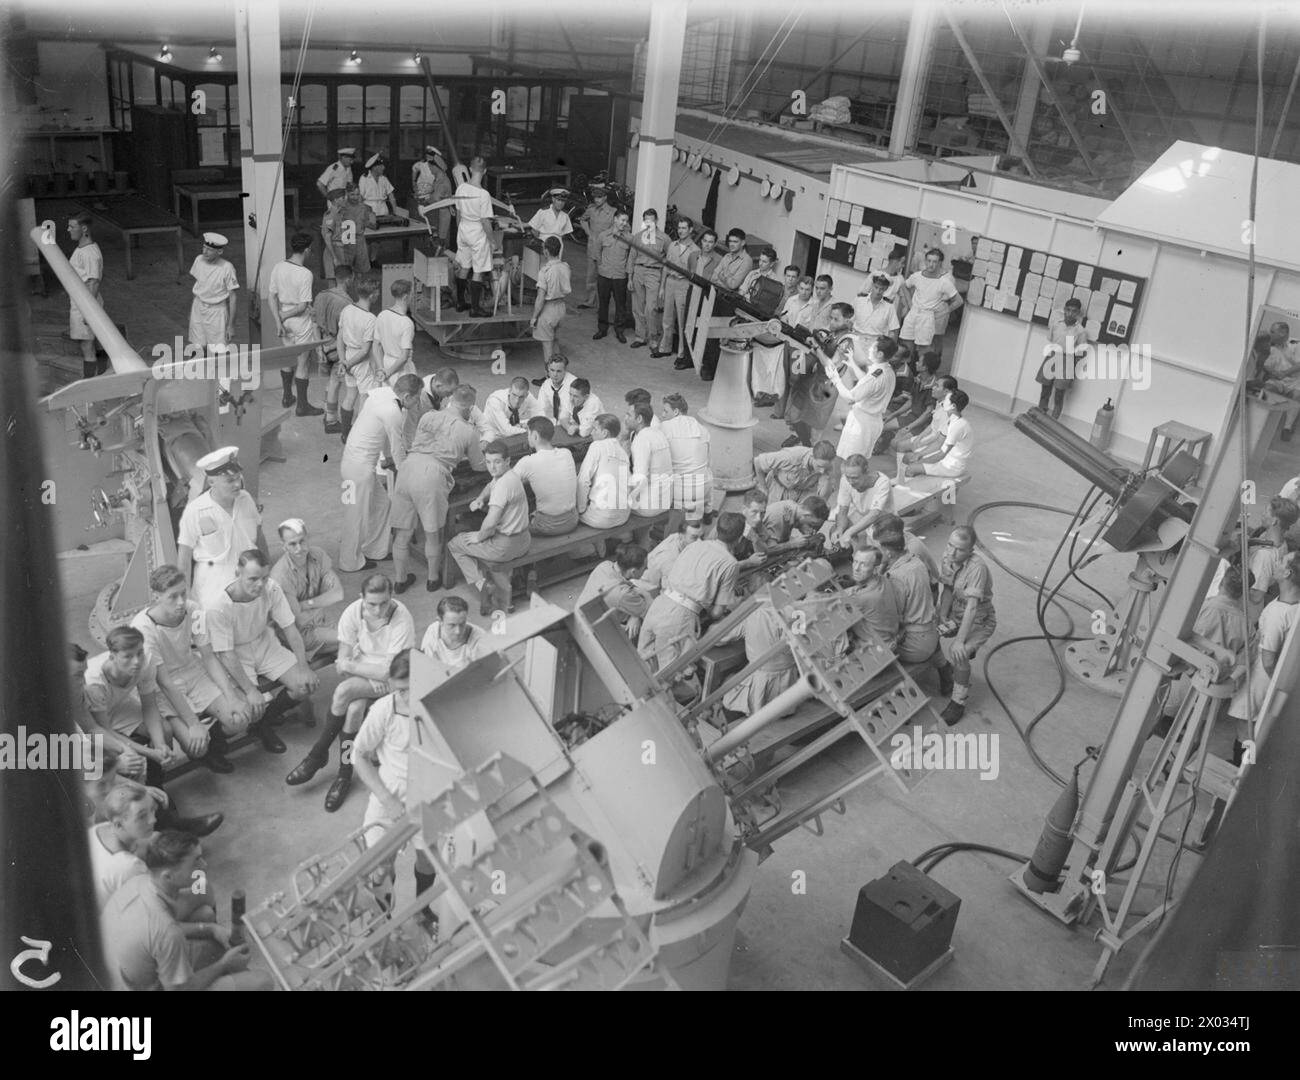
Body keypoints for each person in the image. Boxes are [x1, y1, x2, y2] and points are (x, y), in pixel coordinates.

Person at [286, 574, 414, 812]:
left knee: (343, 692)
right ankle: (344, 773)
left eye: (384, 603)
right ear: (361, 598)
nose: (377, 610)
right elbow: (340, 664)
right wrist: (368, 673)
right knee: (354, 710)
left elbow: (391, 672)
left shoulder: (401, 619)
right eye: (371, 604)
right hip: (370, 676)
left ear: (391, 598)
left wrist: (360, 669)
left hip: (396, 682)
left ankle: (318, 753)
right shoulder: (353, 613)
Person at [80, 627, 224, 836]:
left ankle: (156, 788)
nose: (136, 661)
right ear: (112, 656)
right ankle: (153, 806)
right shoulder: (95, 682)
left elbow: (149, 705)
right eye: (127, 656)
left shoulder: (144, 662)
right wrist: (148, 752)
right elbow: (104, 730)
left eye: (139, 652)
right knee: (130, 757)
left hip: (119, 706)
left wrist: (159, 745)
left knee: (164, 730)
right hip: (99, 720)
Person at [102, 830, 272, 990]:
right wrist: (224, 965)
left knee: (206, 913)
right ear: (168, 876)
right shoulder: (167, 932)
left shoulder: (139, 882)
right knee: (262, 981)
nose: (204, 865)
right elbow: (179, 989)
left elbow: (157, 933)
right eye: (195, 862)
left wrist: (210, 928)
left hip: (117, 972)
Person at [133, 565, 250, 774]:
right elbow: (165, 682)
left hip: (192, 671)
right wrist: (194, 723)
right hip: (165, 685)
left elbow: (208, 656)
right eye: (172, 596)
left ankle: (214, 743)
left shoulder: (193, 610)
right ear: (156, 596)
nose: (180, 602)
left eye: (183, 593)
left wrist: (231, 697)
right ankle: (206, 751)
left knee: (239, 719)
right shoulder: (143, 628)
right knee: (196, 747)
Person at [206, 549, 320, 754]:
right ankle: (213, 739)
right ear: (237, 573)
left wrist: (304, 667)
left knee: (305, 686)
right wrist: (251, 690)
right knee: (245, 712)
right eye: (252, 578)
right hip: (235, 654)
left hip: (264, 642)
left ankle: (263, 725)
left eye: (265, 578)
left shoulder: (272, 589)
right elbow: (226, 654)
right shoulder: (218, 606)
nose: (260, 584)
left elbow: (290, 629)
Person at [351, 652, 439, 915]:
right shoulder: (383, 710)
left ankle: (423, 911)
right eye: (400, 690)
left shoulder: (439, 707)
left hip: (429, 800)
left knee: (428, 861)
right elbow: (357, 754)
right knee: (379, 867)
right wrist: (388, 800)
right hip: (388, 799)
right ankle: (381, 923)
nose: (405, 697)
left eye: (412, 689)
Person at [392, 384, 486, 594]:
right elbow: (478, 466)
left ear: (451, 400)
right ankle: (433, 579)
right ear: (470, 408)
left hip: (407, 469)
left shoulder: (428, 416)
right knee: (433, 533)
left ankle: (399, 581)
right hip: (432, 476)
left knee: (403, 532)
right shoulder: (469, 431)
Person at [638, 510, 743, 671]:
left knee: (643, 665)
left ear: (717, 529)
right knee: (671, 673)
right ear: (739, 538)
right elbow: (716, 613)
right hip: (680, 618)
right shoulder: (731, 564)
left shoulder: (694, 544)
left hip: (659, 605)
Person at [338, 373, 422, 573]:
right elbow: (396, 448)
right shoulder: (393, 412)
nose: (418, 402)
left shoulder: (382, 393)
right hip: (359, 468)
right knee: (355, 516)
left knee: (382, 504)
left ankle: (375, 550)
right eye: (417, 397)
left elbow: (381, 433)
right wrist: (406, 474)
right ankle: (349, 562)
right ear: (406, 397)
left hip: (354, 461)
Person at [1227, 551, 1300, 753]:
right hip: (1278, 677)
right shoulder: (1293, 605)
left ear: (1287, 573)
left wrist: (1274, 688)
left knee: (1245, 731)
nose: (1276, 563)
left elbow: (1268, 659)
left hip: (1261, 677)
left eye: (1282, 562)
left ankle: (1239, 771)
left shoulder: (1279, 613)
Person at [448, 440, 532, 613]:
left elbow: (491, 523)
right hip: (524, 541)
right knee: (474, 526)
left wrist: (479, 537)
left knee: (455, 544)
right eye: (488, 462)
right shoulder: (509, 475)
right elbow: (489, 485)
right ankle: (503, 582)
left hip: (505, 547)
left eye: (497, 462)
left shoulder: (503, 486)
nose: (492, 467)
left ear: (507, 461)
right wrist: (480, 499)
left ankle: (485, 588)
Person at [176, 446, 262, 612]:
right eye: (230, 481)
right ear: (211, 482)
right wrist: (184, 597)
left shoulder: (246, 499)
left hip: (250, 582)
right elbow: (184, 559)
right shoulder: (195, 511)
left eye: (238, 478)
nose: (237, 484)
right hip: (214, 591)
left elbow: (259, 536)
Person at [932, 525, 996, 725]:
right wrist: (942, 615)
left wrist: (960, 641)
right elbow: (949, 588)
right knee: (928, 633)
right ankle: (944, 671)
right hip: (955, 612)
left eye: (959, 549)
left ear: (970, 551)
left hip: (978, 619)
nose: (952, 552)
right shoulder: (948, 558)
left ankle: (957, 703)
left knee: (958, 652)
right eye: (950, 545)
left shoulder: (977, 568)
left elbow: (973, 608)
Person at [820, 314, 896, 461]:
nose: (869, 349)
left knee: (849, 460)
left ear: (879, 353)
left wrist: (835, 379)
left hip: (862, 424)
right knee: (859, 460)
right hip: (872, 422)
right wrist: (853, 364)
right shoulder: (887, 371)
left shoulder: (875, 375)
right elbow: (868, 384)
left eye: (873, 347)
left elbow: (851, 396)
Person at [270, 518, 346, 658]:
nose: (299, 548)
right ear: (284, 546)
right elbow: (297, 619)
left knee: (355, 641)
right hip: (300, 635)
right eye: (292, 544)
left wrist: (306, 604)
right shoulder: (280, 576)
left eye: (302, 541)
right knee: (353, 640)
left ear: (307, 538)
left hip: (321, 623)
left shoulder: (317, 555)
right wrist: (322, 601)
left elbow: (338, 594)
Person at [269, 231, 325, 417]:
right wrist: (286, 315)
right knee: (303, 363)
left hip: (283, 317)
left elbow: (271, 296)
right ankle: (302, 405)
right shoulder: (305, 274)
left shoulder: (278, 267)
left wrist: (279, 320)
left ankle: (286, 397)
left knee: (287, 358)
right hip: (299, 320)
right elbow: (302, 306)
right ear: (307, 250)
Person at [873, 521, 939, 664]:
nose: (875, 552)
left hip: (914, 646)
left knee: (868, 635)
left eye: (877, 549)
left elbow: (892, 618)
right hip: (931, 634)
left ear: (888, 552)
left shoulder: (896, 577)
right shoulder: (916, 562)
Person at [720, 604, 800, 722]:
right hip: (789, 679)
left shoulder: (751, 612)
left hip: (761, 680)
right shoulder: (797, 611)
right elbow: (800, 643)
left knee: (726, 681)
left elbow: (721, 638)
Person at [699, 228, 756, 380]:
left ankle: (720, 371)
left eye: (735, 241)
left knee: (723, 335)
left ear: (743, 243)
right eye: (730, 241)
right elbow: (713, 276)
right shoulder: (726, 256)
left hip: (729, 302)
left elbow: (733, 284)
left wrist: (723, 276)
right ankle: (708, 367)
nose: (731, 244)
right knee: (711, 331)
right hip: (717, 296)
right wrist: (725, 277)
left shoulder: (747, 261)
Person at [335, 272, 383, 441]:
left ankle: (345, 433)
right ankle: (359, 436)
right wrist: (347, 363)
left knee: (349, 396)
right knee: (365, 399)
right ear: (372, 295)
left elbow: (339, 338)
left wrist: (343, 361)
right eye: (377, 292)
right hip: (360, 362)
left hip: (347, 354)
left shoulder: (347, 309)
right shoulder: (370, 319)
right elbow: (365, 350)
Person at [514, 416, 579, 536]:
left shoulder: (527, 462)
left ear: (535, 436)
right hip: (572, 520)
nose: (527, 438)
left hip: (547, 526)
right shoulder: (566, 453)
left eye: (528, 434)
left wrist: (480, 499)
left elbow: (505, 483)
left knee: (515, 522)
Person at [452, 155, 497, 318]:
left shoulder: (461, 188)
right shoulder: (483, 194)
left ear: (470, 169)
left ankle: (460, 302)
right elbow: (485, 221)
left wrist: (460, 231)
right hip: (477, 232)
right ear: (484, 171)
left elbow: (457, 213)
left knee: (464, 266)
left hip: (463, 228)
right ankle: (475, 308)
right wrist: (492, 241)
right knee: (478, 270)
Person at [576, 543, 650, 638]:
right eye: (644, 567)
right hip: (591, 633)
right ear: (633, 572)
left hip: (580, 616)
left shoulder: (605, 565)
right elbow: (649, 611)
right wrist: (638, 613)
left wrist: (634, 614)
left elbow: (627, 585)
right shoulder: (622, 594)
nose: (647, 568)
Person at [660, 392, 712, 522]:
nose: (662, 415)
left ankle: (660, 523)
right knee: (707, 469)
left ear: (676, 411)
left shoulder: (664, 427)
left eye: (665, 411)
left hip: (680, 491)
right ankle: (708, 511)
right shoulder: (703, 429)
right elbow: (709, 461)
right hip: (704, 488)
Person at [1035, 298, 1091, 419]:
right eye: (1068, 310)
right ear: (1064, 310)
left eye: (1074, 311)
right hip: (1052, 356)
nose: (1070, 314)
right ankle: (1039, 415)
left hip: (1068, 361)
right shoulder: (1056, 323)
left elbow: (1081, 353)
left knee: (1059, 394)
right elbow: (1051, 339)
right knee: (1045, 389)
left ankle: (1053, 421)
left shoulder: (1080, 331)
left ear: (1078, 313)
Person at [314, 263, 354, 434]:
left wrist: (318, 348)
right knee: (335, 382)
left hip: (321, 343)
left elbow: (314, 323)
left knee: (329, 384)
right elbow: (345, 334)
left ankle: (326, 414)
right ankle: (330, 421)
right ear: (349, 279)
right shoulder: (347, 303)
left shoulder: (321, 296)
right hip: (337, 348)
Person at [898, 248, 962, 353]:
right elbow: (904, 286)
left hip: (927, 316)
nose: (931, 264)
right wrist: (910, 304)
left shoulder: (944, 281)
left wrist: (943, 312)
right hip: (913, 313)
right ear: (925, 261)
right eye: (929, 261)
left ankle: (920, 368)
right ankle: (906, 368)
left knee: (923, 350)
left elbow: (958, 301)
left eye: (934, 261)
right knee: (906, 346)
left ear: (940, 263)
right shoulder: (917, 276)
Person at [842, 545, 903, 652]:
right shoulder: (883, 580)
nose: (856, 568)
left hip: (875, 651)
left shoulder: (860, 598)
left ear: (875, 569)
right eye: (855, 562)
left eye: (863, 565)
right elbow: (857, 590)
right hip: (890, 640)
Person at [67, 212, 106, 378]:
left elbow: (93, 282)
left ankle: (89, 382)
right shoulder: (82, 249)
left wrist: (88, 311)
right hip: (82, 302)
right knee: (93, 342)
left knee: (86, 346)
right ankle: (102, 373)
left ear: (84, 229)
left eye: (71, 226)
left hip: (85, 304)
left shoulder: (89, 253)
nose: (68, 229)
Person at [656, 216, 700, 361]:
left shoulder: (695, 250)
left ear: (690, 230)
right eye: (679, 228)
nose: (680, 231)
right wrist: (662, 287)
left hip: (683, 284)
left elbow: (694, 274)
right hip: (670, 282)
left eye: (684, 228)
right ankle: (665, 348)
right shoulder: (672, 245)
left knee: (682, 321)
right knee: (667, 318)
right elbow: (666, 266)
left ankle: (682, 352)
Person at [187, 233, 239, 356]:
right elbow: (199, 284)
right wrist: (191, 312)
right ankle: (200, 373)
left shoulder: (227, 268)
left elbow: (233, 298)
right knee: (197, 347)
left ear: (219, 251)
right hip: (198, 307)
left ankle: (222, 374)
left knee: (219, 351)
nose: (205, 252)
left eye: (210, 250)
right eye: (204, 248)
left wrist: (231, 325)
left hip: (217, 312)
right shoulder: (199, 260)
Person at [903, 389, 973, 479]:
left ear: (953, 406)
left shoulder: (957, 426)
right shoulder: (952, 420)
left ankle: (906, 489)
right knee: (908, 457)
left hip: (952, 466)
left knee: (911, 468)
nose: (943, 401)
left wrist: (920, 461)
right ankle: (903, 482)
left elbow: (941, 455)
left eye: (946, 399)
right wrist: (919, 454)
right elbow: (939, 443)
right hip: (947, 457)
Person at [577, 413, 631, 530]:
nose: (591, 433)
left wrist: (580, 509)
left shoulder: (597, 445)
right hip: (623, 516)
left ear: (605, 433)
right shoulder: (623, 453)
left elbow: (583, 480)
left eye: (595, 429)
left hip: (600, 518)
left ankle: (594, 548)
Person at [1246, 496, 1300, 607]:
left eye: (1266, 511)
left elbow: (1256, 596)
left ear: (1275, 521)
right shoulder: (1280, 543)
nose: (1263, 514)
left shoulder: (1264, 556)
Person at [628, 208, 670, 350]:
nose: (648, 222)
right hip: (638, 271)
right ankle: (640, 337)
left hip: (654, 273)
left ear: (656, 221)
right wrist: (629, 277)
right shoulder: (638, 237)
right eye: (646, 219)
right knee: (637, 307)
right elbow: (632, 257)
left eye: (651, 220)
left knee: (651, 308)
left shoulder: (664, 239)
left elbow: (668, 262)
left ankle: (653, 337)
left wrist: (663, 284)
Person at [642, 512, 708, 597]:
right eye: (694, 537)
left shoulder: (678, 537)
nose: (699, 542)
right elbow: (667, 592)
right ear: (681, 536)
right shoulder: (669, 557)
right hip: (649, 591)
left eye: (701, 537)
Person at [529, 236, 572, 366]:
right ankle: (561, 371)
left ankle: (550, 377)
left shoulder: (545, 271)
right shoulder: (565, 266)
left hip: (548, 309)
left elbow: (540, 298)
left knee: (547, 346)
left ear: (546, 251)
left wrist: (534, 317)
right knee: (555, 341)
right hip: (561, 307)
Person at [593, 210, 634, 343]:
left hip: (620, 276)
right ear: (615, 219)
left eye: (626, 221)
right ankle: (602, 329)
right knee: (603, 303)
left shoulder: (629, 238)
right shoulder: (603, 236)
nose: (624, 223)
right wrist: (601, 266)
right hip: (604, 275)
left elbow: (630, 258)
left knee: (620, 305)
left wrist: (628, 274)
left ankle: (619, 330)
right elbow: (597, 253)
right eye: (622, 220)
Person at [419, 595, 488, 674]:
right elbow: (428, 667)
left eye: (462, 624)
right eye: (452, 625)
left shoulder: (480, 638)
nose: (458, 631)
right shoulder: (432, 632)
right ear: (440, 621)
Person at [754, 440, 838, 504]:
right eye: (819, 466)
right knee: (773, 518)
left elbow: (822, 499)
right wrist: (763, 488)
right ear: (812, 456)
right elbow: (757, 462)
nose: (822, 470)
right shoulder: (791, 456)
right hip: (779, 488)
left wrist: (827, 478)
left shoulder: (827, 465)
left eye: (825, 467)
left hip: (803, 491)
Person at [628, 401, 673, 517]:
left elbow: (640, 477)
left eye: (628, 415)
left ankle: (625, 535)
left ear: (639, 419)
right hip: (665, 501)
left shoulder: (641, 440)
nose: (625, 418)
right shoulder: (658, 433)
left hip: (648, 506)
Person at [578, 183, 618, 309]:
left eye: (599, 197)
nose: (596, 200)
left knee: (604, 278)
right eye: (595, 197)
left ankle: (603, 304)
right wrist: (588, 233)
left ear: (605, 197)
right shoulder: (591, 209)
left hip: (606, 250)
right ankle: (590, 301)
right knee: (591, 276)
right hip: (593, 247)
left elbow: (622, 228)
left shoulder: (613, 212)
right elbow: (583, 219)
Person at [374, 278, 417, 385]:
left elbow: (376, 345)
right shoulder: (407, 323)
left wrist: (381, 369)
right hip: (401, 369)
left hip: (386, 362)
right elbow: (404, 357)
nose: (413, 297)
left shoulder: (382, 315)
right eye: (412, 294)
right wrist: (388, 373)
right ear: (406, 297)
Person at [853, 273, 901, 357]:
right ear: (872, 286)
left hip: (875, 346)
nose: (878, 291)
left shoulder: (889, 307)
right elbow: (849, 320)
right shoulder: (859, 300)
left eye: (881, 289)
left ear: (886, 289)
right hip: (856, 341)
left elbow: (893, 331)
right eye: (876, 287)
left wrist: (888, 349)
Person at [412, 145, 453, 242]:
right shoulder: (438, 179)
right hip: (437, 217)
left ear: (436, 167)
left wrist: (423, 199)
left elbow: (435, 199)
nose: (429, 169)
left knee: (440, 244)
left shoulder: (442, 182)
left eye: (430, 166)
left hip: (441, 219)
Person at [337, 184, 378, 274]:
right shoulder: (341, 208)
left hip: (360, 242)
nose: (355, 197)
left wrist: (372, 216)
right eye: (352, 194)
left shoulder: (364, 208)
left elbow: (372, 225)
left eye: (357, 194)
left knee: (361, 272)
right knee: (346, 272)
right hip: (346, 242)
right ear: (347, 193)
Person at [320, 186, 348, 282]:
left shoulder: (341, 213)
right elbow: (327, 238)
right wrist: (334, 257)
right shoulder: (331, 215)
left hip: (341, 249)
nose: (345, 200)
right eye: (343, 198)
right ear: (336, 200)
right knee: (333, 282)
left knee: (343, 281)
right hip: (333, 250)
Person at [360, 153, 397, 219]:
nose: (384, 168)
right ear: (374, 167)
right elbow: (360, 197)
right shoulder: (364, 178)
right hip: (370, 209)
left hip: (383, 209)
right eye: (381, 166)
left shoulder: (384, 178)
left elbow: (391, 196)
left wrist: (395, 212)